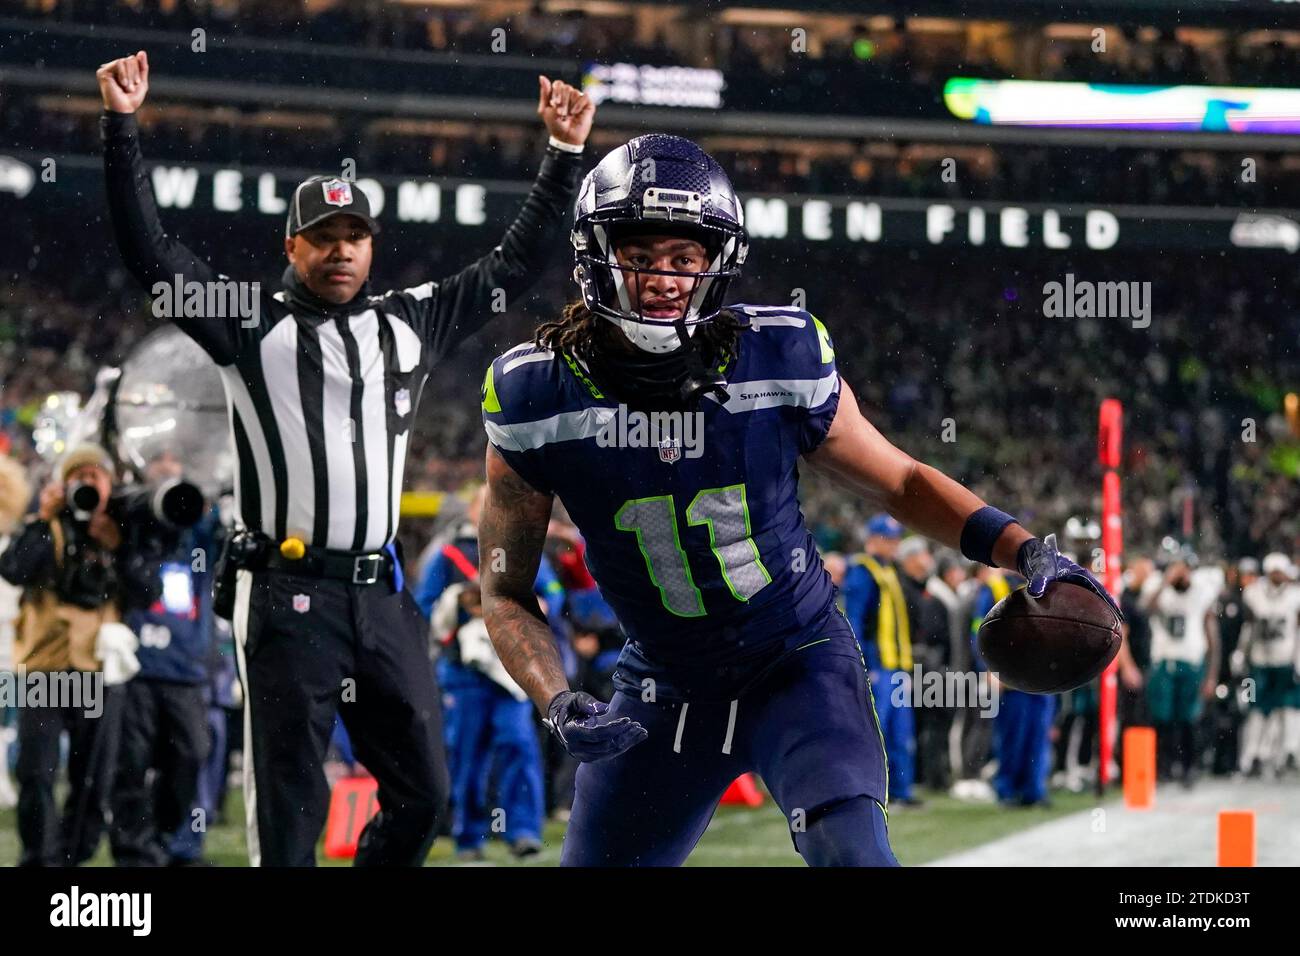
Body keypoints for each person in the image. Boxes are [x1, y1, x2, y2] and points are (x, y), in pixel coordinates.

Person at [476, 134, 1118, 866]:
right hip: (664, 682)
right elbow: (504, 588)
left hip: (797, 661)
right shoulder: (535, 395)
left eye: (684, 258)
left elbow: (901, 481)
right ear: (596, 255)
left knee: (853, 858)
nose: (664, 279)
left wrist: (1022, 548)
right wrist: (555, 697)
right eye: (641, 254)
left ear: (717, 262)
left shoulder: (778, 357)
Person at [97, 50, 592, 866]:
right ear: (292, 247)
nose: (341, 251)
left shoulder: (410, 322)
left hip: (381, 593)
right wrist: (122, 128)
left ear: (372, 246)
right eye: (323, 238)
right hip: (284, 591)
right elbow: (153, 256)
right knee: (290, 816)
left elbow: (515, 264)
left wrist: (563, 154)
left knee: (423, 795)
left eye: (355, 236)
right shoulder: (248, 325)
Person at [0, 445, 150, 865]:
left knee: (94, 779)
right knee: (35, 772)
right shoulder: (46, 524)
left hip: (97, 670)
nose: (86, 484)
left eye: (95, 476)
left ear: (109, 486)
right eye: (77, 476)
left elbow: (147, 592)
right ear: (63, 484)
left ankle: (71, 857)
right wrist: (44, 518)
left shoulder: (120, 530)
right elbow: (12, 569)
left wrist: (118, 545)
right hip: (42, 668)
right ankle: (38, 858)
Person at [843, 515, 921, 805]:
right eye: (889, 540)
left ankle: (901, 790)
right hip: (879, 667)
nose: (894, 545)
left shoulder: (888, 570)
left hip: (896, 666)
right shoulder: (863, 572)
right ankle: (872, 793)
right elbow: (855, 620)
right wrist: (864, 664)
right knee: (877, 733)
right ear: (873, 540)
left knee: (901, 734)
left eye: (896, 539)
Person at [1141, 552, 1220, 787]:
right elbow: (1144, 609)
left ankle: (1188, 767)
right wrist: (1166, 581)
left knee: (1189, 719)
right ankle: (1163, 767)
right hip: (1164, 662)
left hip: (1191, 663)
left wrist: (1212, 676)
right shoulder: (1158, 588)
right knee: (1162, 717)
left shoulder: (1202, 591)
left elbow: (1213, 637)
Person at [1236, 553, 1300, 777]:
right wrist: (1241, 655)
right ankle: (1251, 755)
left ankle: (1287, 753)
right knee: (1254, 708)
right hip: (1258, 663)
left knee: (1288, 709)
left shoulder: (1295, 595)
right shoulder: (1254, 594)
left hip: (1286, 662)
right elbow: (1248, 627)